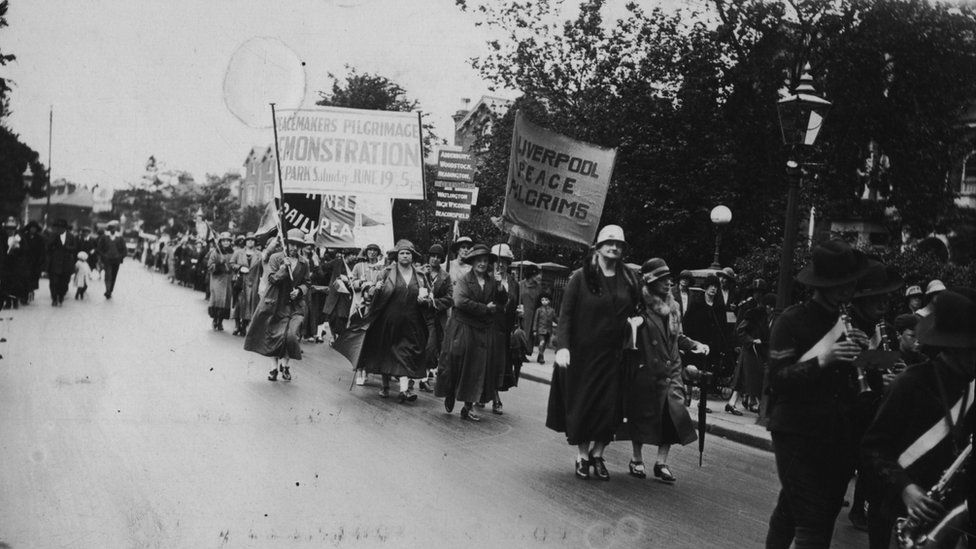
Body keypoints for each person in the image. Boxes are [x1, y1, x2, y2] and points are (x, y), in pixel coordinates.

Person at [764, 239, 872, 549]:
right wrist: (824, 359)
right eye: (840, 285)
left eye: (850, 284)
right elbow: (779, 379)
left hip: (837, 435)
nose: (847, 291)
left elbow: (855, 377)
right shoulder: (791, 320)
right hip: (797, 431)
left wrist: (872, 360)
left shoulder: (851, 322)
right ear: (821, 284)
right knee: (814, 520)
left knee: (791, 510)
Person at [861, 289, 975, 549]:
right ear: (957, 349)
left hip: (945, 517)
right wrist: (906, 488)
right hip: (898, 512)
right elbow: (873, 447)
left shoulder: (971, 389)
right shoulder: (912, 382)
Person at [545, 225, 640, 480]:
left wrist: (637, 322)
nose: (614, 248)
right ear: (597, 247)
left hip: (614, 355)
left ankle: (599, 454)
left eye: (619, 245)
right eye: (609, 243)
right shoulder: (581, 276)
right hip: (584, 355)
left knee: (609, 408)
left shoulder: (629, 278)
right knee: (585, 405)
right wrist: (562, 346)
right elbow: (565, 314)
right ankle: (583, 455)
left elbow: (639, 307)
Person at [619, 258, 707, 483]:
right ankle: (636, 458)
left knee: (673, 413)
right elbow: (624, 332)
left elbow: (677, 337)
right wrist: (633, 324)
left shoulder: (674, 307)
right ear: (650, 282)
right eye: (662, 279)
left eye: (669, 278)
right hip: (646, 366)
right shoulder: (639, 304)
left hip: (671, 368)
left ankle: (661, 462)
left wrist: (695, 345)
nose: (668, 283)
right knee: (641, 413)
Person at [355, 240, 430, 402]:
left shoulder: (421, 276)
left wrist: (426, 300)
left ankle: (404, 390)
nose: (405, 256)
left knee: (407, 352)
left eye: (408, 253)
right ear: (396, 256)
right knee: (387, 352)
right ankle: (385, 385)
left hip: (411, 321)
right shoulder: (386, 273)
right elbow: (371, 293)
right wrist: (377, 289)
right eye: (402, 253)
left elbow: (429, 296)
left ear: (412, 256)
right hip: (388, 319)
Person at [435, 244, 503, 421]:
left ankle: (468, 406)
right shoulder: (465, 280)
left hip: (481, 330)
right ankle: (450, 392)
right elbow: (459, 301)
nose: (482, 263)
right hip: (462, 327)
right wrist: (484, 308)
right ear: (472, 262)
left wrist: (500, 287)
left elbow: (501, 301)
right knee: (456, 362)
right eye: (479, 260)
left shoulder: (491, 281)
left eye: (485, 260)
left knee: (476, 367)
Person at [244, 229, 311, 382]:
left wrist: (300, 291)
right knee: (275, 335)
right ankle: (274, 368)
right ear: (286, 244)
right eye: (291, 244)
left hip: (295, 306)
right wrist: (282, 269)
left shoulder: (304, 262)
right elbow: (272, 279)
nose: (294, 248)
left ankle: (286, 366)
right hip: (276, 303)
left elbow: (307, 283)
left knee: (291, 336)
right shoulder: (275, 258)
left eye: (297, 245)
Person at [683, 274, 727, 411]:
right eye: (711, 286)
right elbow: (687, 322)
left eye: (716, 287)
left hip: (711, 345)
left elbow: (722, 326)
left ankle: (703, 402)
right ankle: (688, 395)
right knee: (691, 369)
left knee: (706, 373)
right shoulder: (697, 303)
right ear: (706, 287)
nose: (713, 289)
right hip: (696, 342)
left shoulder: (719, 306)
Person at [726, 293, 776, 415]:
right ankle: (751, 404)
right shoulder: (755, 314)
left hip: (757, 351)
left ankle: (733, 403)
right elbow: (740, 330)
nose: (772, 310)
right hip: (750, 350)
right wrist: (752, 340)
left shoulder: (768, 317)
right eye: (771, 307)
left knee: (746, 378)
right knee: (746, 377)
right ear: (767, 306)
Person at [485, 243, 520, 414]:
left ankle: (484, 394)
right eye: (497, 261)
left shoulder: (514, 283)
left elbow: (513, 304)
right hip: (490, 327)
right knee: (492, 363)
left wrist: (518, 311)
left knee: (500, 364)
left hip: (505, 330)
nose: (501, 264)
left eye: (504, 261)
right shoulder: (487, 279)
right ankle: (495, 398)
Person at [419, 244, 452, 392]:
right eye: (433, 256)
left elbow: (450, 298)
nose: (435, 259)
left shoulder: (445, 277)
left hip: (435, 317)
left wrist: (434, 302)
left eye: (439, 257)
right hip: (418, 314)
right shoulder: (420, 272)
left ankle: (424, 378)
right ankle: (411, 377)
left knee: (431, 347)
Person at [321, 247, 357, 343]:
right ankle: (333, 336)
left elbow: (355, 278)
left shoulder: (355, 266)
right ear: (347, 255)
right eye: (352, 255)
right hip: (334, 292)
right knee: (331, 316)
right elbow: (324, 267)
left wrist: (348, 279)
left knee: (342, 317)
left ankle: (339, 337)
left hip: (345, 295)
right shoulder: (337, 262)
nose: (354, 257)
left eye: (355, 255)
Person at [230, 232, 263, 336]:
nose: (250, 242)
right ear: (245, 242)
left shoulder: (259, 254)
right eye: (248, 240)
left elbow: (262, 268)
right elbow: (231, 263)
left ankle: (244, 325)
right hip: (240, 282)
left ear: (255, 242)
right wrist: (239, 267)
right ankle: (236, 325)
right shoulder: (238, 252)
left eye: (252, 240)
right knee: (239, 304)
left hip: (253, 283)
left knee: (249, 305)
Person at [206, 232, 235, 331]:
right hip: (217, 280)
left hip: (228, 280)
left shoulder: (233, 253)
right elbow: (209, 266)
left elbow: (235, 264)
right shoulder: (215, 252)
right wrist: (219, 263)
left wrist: (232, 268)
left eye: (228, 241)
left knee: (226, 301)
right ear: (220, 242)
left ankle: (221, 321)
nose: (226, 242)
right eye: (224, 241)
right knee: (217, 300)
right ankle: (215, 320)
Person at [46, 219, 77, 307]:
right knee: (53, 282)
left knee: (64, 282)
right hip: (54, 263)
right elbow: (48, 247)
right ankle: (54, 298)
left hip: (66, 263)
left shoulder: (71, 236)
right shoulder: (53, 236)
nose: (59, 229)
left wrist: (67, 248)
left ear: (65, 228)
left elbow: (75, 248)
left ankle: (61, 295)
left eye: (62, 228)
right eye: (58, 228)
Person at [96, 220, 126, 299]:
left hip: (116, 260)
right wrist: (103, 256)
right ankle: (107, 290)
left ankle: (110, 290)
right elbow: (99, 248)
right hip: (107, 260)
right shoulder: (104, 237)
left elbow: (124, 250)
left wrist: (120, 257)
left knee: (113, 276)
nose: (113, 230)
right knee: (108, 275)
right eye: (111, 228)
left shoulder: (119, 238)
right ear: (109, 230)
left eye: (114, 229)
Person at [519, 263, 543, 338]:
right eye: (536, 274)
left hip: (532, 317)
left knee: (529, 340)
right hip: (521, 315)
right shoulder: (520, 285)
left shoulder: (539, 288)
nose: (539, 276)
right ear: (531, 275)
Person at [533, 294, 556, 364]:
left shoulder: (552, 310)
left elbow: (555, 318)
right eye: (542, 300)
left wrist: (560, 323)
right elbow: (535, 320)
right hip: (541, 329)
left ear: (549, 301)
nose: (544, 301)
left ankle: (539, 355)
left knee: (544, 345)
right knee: (541, 342)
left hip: (548, 330)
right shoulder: (539, 310)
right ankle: (541, 357)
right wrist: (534, 330)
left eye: (546, 300)